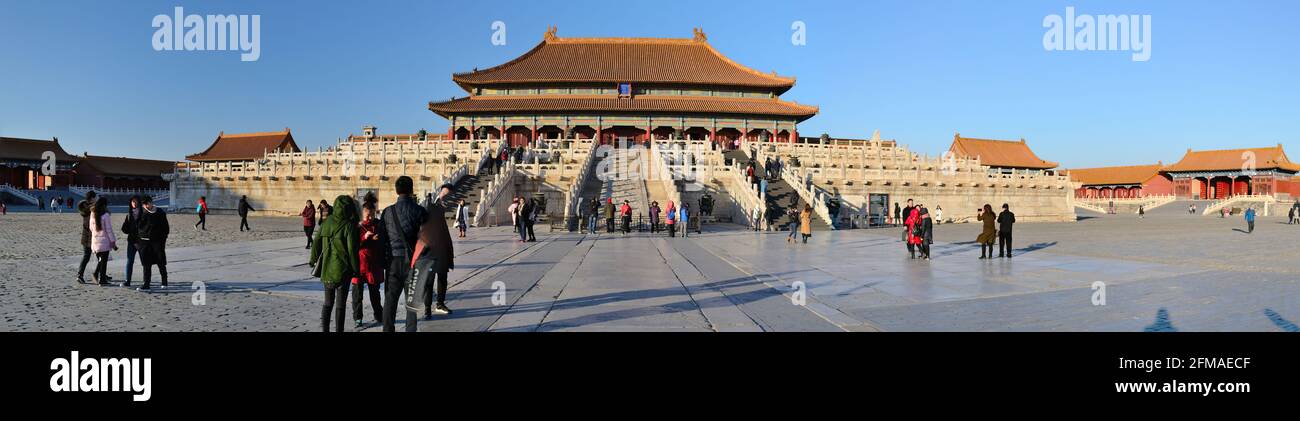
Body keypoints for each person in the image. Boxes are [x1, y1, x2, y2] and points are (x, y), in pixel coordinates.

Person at [378, 176, 429, 333]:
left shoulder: (387, 212)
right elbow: (427, 239)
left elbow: (382, 239)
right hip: (413, 262)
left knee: (390, 300)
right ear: (411, 189)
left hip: (393, 261)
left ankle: (387, 329)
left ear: (396, 190)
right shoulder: (419, 211)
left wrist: (384, 262)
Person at [309, 195, 360, 333]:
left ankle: (325, 329)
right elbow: (352, 251)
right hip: (343, 271)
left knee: (327, 303)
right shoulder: (349, 226)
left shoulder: (327, 221)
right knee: (340, 305)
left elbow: (316, 242)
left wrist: (312, 260)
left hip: (327, 269)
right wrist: (356, 269)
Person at [409, 183, 457, 326]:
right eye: (444, 194)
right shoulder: (430, 207)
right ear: (440, 193)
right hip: (429, 249)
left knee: (442, 276)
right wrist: (438, 198)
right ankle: (428, 309)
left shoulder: (440, 207)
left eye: (448, 195)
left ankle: (440, 304)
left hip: (441, 247)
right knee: (429, 281)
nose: (446, 197)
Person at [352, 194, 384, 328]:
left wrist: (379, 238)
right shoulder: (357, 227)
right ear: (363, 214)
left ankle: (379, 314)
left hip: (374, 264)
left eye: (372, 215)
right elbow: (353, 245)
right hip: (359, 264)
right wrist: (364, 237)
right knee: (357, 295)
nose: (370, 218)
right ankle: (357, 317)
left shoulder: (379, 225)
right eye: (367, 215)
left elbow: (385, 242)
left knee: (375, 293)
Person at [135, 195, 170, 291]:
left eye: (147, 203)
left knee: (160, 262)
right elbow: (137, 227)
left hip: (157, 242)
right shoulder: (141, 213)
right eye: (144, 204)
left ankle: (164, 282)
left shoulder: (160, 212)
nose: (146, 206)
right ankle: (146, 284)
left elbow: (166, 228)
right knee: (146, 264)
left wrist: (162, 240)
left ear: (151, 202)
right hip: (144, 242)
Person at [89, 197, 117, 286]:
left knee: (101, 260)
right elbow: (109, 230)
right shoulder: (105, 215)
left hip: (95, 240)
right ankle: (101, 279)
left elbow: (91, 228)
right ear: (104, 205)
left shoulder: (92, 213)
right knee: (103, 261)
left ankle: (98, 275)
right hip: (104, 241)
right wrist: (113, 241)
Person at [76, 191, 100, 284]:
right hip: (92, 236)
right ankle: (82, 275)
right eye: (96, 196)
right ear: (93, 198)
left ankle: (80, 274)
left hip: (85, 236)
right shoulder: (92, 209)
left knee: (87, 256)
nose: (97, 198)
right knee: (100, 256)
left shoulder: (84, 208)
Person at [120, 195, 143, 287]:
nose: (134, 203)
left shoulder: (144, 213)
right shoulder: (129, 215)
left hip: (142, 241)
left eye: (136, 201)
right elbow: (126, 229)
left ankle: (146, 281)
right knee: (130, 261)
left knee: (144, 262)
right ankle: (127, 280)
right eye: (132, 201)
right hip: (131, 241)